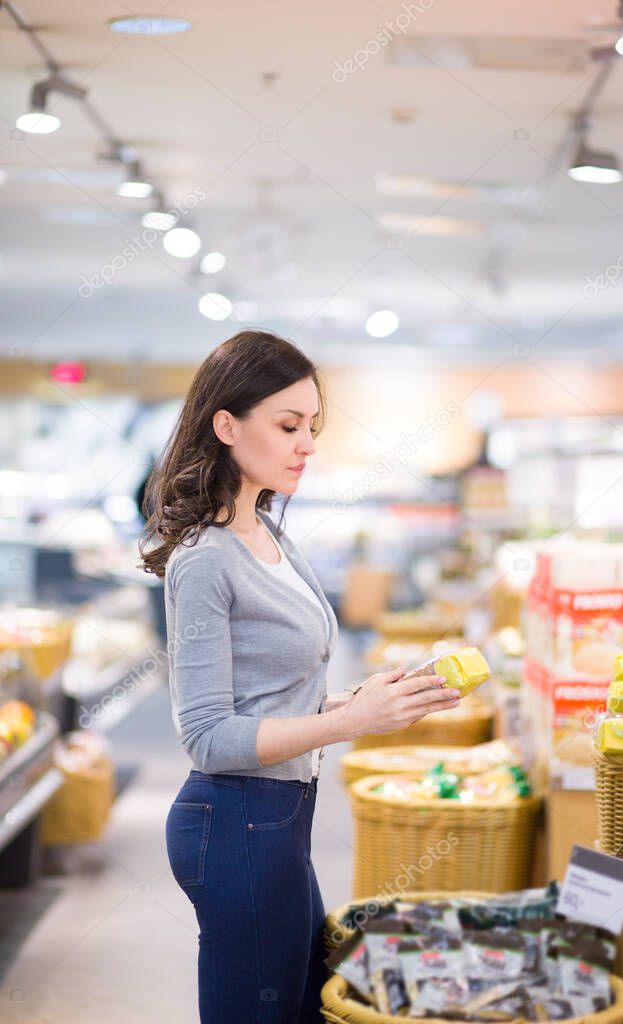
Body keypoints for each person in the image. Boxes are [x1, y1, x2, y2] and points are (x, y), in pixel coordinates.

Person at [138, 329, 461, 1023]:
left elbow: (276, 698)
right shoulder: (205, 561)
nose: (307, 443)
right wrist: (351, 721)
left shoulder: (270, 534)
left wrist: (384, 700)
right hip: (232, 821)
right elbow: (208, 736)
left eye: (312, 425)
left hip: (278, 817)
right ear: (225, 425)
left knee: (302, 1005)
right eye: (288, 425)